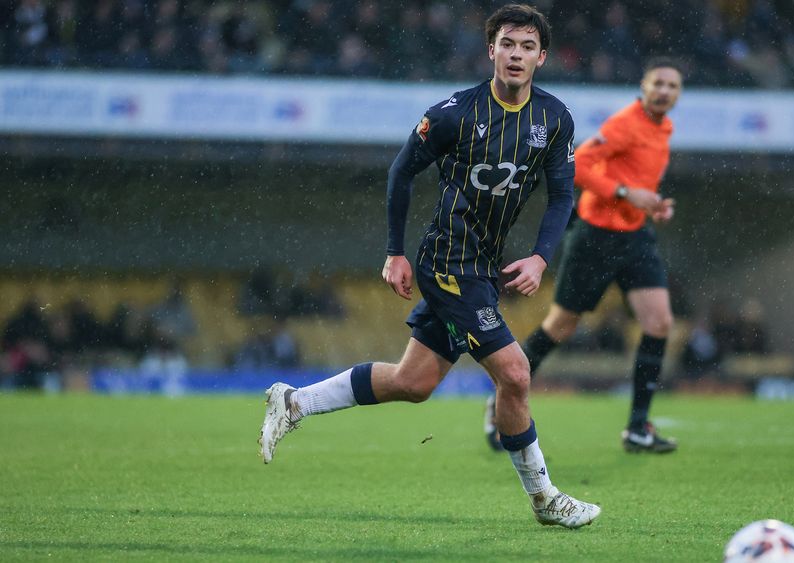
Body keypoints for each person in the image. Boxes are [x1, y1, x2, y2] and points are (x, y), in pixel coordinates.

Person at [259, 4, 600, 529]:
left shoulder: (555, 120)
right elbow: (401, 173)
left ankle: (294, 402)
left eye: (527, 47)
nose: (515, 54)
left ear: (542, 57)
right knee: (515, 372)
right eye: (507, 44)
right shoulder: (453, 113)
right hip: (447, 263)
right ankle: (545, 498)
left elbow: (561, 197)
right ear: (491, 50)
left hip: (483, 265)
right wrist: (395, 252)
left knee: (412, 382)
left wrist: (540, 256)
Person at [484, 57, 683, 454]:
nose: (664, 91)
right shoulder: (624, 124)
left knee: (659, 322)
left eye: (672, 86)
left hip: (635, 235)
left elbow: (637, 179)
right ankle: (498, 403)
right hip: (595, 236)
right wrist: (626, 194)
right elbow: (579, 166)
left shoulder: (665, 127)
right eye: (657, 82)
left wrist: (652, 205)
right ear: (642, 86)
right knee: (561, 326)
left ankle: (637, 428)